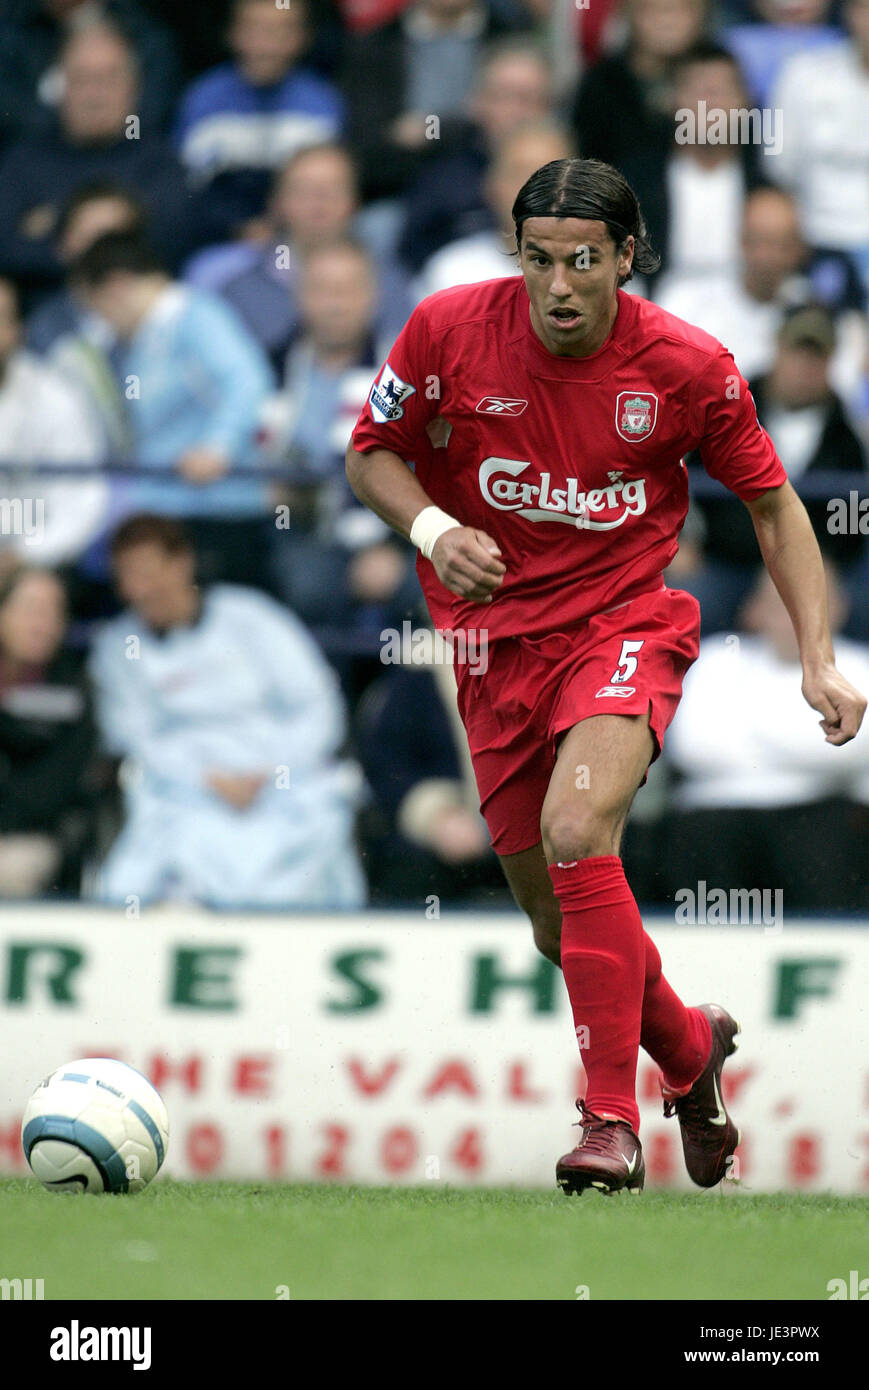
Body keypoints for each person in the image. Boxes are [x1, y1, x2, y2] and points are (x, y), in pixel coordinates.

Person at [346, 156, 867, 1195]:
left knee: (578, 831)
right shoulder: (445, 329)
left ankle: (605, 1122)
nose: (558, 285)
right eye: (537, 259)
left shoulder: (686, 365)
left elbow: (771, 505)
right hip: (490, 650)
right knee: (557, 922)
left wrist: (814, 655)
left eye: (582, 260)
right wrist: (434, 525)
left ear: (626, 257)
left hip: (622, 624)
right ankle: (685, 1049)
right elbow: (371, 452)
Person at [89, 514, 367, 909]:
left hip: (282, 786)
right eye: (126, 578)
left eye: (147, 573)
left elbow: (317, 705)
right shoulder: (117, 647)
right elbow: (134, 738)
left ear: (182, 562)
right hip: (182, 796)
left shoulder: (253, 616)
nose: (138, 590)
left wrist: (270, 771)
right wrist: (208, 779)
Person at [71, 230, 275, 589]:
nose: (99, 321)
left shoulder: (197, 316)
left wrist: (218, 446)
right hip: (165, 512)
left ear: (116, 286)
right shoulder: (140, 341)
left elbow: (248, 380)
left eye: (96, 307)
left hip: (218, 514)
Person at [664, 563, 869, 911]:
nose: (796, 615)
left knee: (827, 837)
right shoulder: (715, 659)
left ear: (838, 608)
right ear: (755, 609)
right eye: (781, 602)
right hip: (714, 814)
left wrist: (749, 728)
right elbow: (690, 747)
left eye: (811, 602)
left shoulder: (859, 665)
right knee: (695, 839)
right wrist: (794, 735)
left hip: (821, 814)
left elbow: (852, 751)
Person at [0, 23, 196, 302]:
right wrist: (111, 241)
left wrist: (55, 226)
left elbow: (172, 243)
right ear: (60, 87)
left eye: (108, 79)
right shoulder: (23, 159)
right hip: (41, 316)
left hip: (136, 319)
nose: (95, 95)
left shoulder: (159, 160)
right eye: (82, 79)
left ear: (133, 87)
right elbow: (5, 248)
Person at [175, 0, 345, 240]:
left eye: (280, 32)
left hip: (303, 241)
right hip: (219, 241)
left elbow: (330, 192)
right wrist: (237, 227)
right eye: (254, 30)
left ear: (302, 38)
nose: (266, 45)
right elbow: (188, 190)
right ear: (232, 34)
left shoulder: (322, 102)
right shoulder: (203, 99)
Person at [0, 565, 97, 897]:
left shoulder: (75, 690)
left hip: (27, 839)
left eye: (54, 611)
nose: (42, 623)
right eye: (31, 609)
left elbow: (54, 789)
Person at [0, 276, 109, 570]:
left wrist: (24, 556)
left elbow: (82, 498)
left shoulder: (55, 398)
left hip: (33, 563)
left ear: (17, 331)